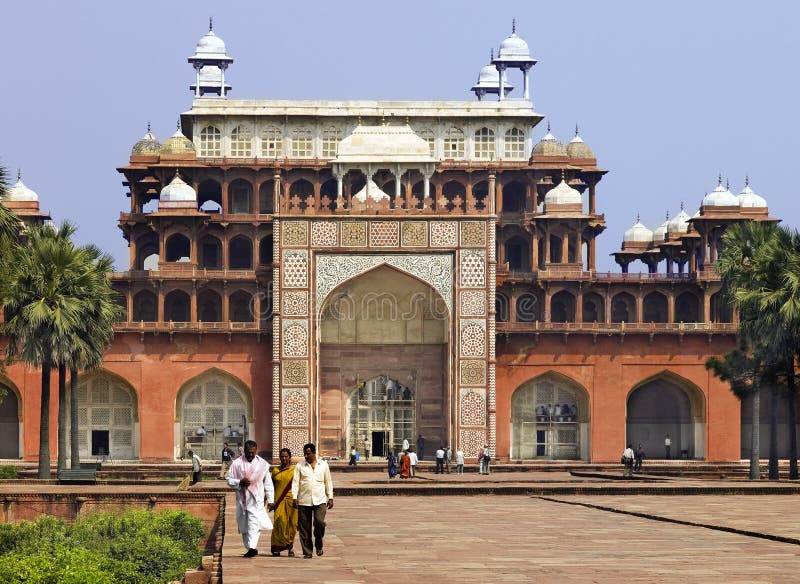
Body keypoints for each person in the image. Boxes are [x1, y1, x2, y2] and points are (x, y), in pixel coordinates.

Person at [226, 440, 274, 558]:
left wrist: (271, 499)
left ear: (256, 451)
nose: (251, 455)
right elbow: (229, 480)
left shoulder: (262, 464)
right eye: (249, 452)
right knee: (244, 525)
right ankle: (249, 547)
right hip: (242, 500)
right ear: (244, 451)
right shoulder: (236, 464)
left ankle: (252, 547)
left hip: (256, 499)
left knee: (254, 522)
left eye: (253, 452)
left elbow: (268, 483)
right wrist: (239, 482)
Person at [292, 443, 334, 559]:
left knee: (320, 522)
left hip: (320, 499)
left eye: (308, 454)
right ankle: (307, 551)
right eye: (304, 454)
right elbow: (295, 482)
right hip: (304, 500)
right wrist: (294, 497)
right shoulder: (300, 466)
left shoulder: (323, 465)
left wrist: (330, 497)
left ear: (314, 453)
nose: (306, 456)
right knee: (304, 527)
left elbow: (328, 481)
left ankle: (319, 543)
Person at [269, 448, 298, 557]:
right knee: (279, 524)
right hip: (279, 501)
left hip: (292, 500)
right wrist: (268, 499)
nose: (284, 458)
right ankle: (276, 547)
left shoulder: (295, 470)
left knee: (292, 524)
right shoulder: (275, 471)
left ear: (290, 457)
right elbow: (270, 487)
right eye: (282, 456)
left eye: (286, 456)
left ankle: (290, 547)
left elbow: (300, 485)